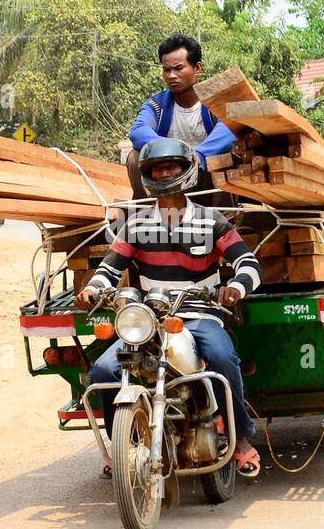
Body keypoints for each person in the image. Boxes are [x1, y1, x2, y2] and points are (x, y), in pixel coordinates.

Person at [77, 137, 262, 479]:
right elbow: (109, 270)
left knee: (222, 359)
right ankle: (122, 445)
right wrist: (93, 289)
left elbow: (249, 263)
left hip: (200, 314)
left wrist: (235, 288)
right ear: (147, 176)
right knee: (104, 371)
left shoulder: (212, 221)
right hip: (150, 318)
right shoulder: (135, 226)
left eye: (170, 167)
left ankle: (241, 439)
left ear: (186, 170)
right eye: (157, 169)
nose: (164, 174)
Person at [126, 33, 235, 200]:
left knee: (227, 155)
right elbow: (138, 131)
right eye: (166, 69)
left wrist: (199, 155)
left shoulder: (215, 103)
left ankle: (223, 221)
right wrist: (172, 153)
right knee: (134, 156)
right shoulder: (156, 105)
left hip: (204, 178)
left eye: (178, 68)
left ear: (197, 68)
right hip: (166, 178)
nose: (171, 75)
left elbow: (229, 126)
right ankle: (146, 216)